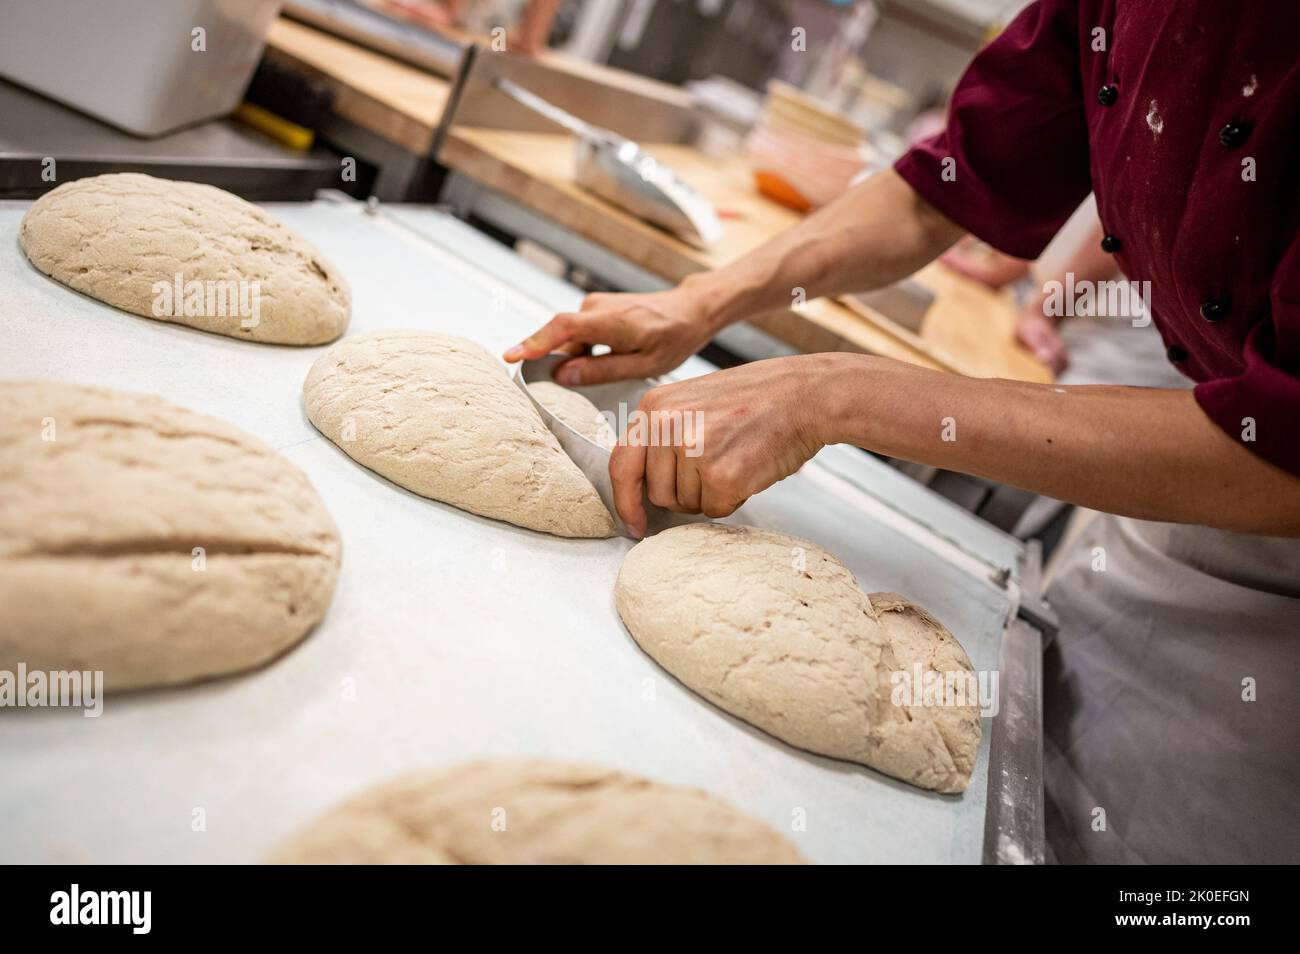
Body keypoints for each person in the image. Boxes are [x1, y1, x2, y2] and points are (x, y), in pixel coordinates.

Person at [505, 0, 1300, 863]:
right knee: (1025, 794)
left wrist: (833, 395)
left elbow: (1280, 455)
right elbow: (954, 179)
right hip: (1190, 500)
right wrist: (699, 302)